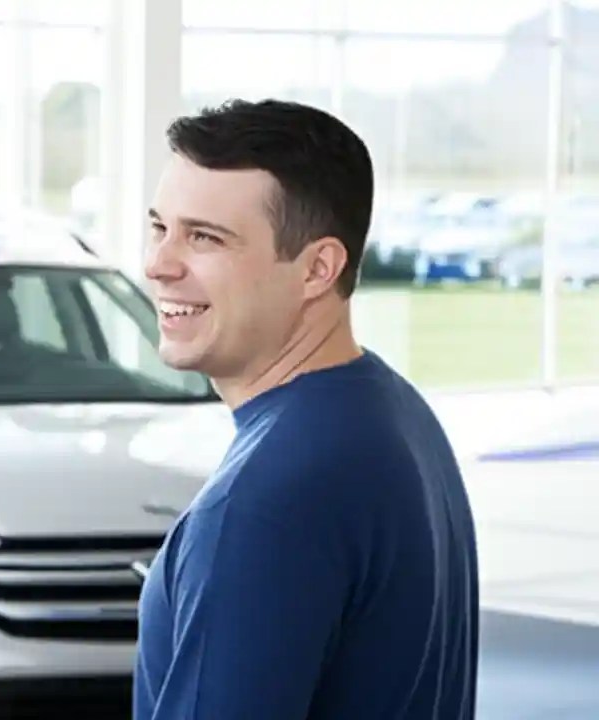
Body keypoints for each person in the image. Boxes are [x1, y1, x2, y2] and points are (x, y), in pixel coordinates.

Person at [133, 98, 479, 720]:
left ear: (318, 268)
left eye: (205, 238)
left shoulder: (261, 502)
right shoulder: (390, 414)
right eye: (160, 227)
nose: (158, 265)